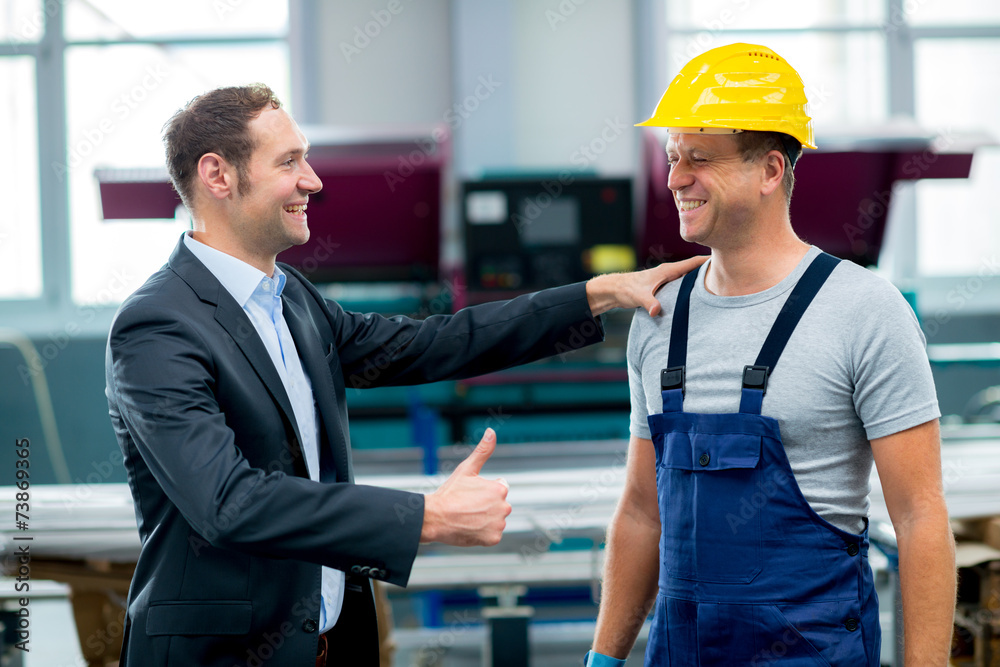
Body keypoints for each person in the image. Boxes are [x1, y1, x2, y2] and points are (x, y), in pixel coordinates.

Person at [104, 83, 705, 667]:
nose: (313, 181)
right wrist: (428, 517)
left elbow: (430, 343)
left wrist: (595, 295)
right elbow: (229, 503)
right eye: (289, 162)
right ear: (218, 176)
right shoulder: (158, 326)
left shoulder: (292, 302)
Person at [586, 44, 956, 666]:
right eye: (674, 157)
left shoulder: (864, 309)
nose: (676, 179)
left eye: (700, 159)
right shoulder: (658, 316)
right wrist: (604, 659)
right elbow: (642, 513)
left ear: (770, 171)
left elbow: (921, 518)